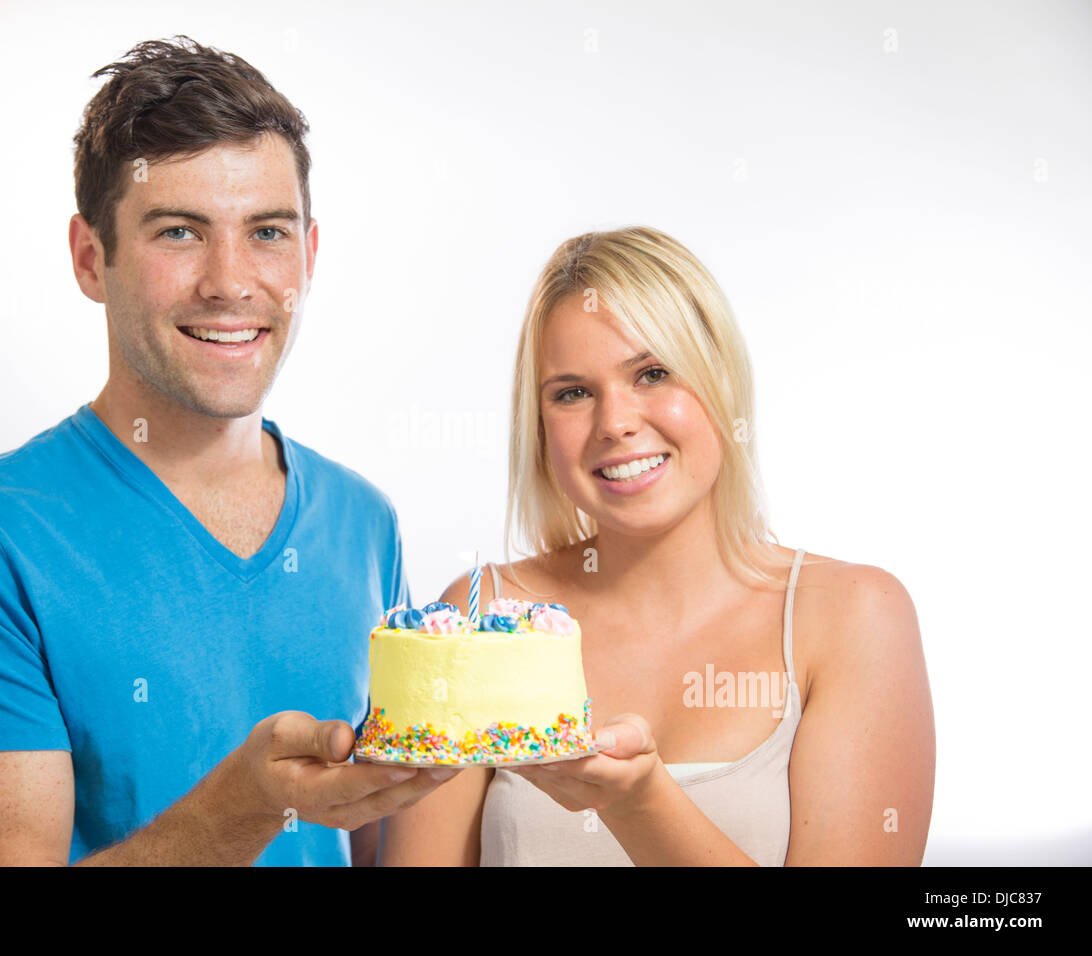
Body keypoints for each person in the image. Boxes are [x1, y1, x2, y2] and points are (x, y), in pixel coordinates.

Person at [0, 36, 455, 867]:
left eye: (268, 233)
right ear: (89, 258)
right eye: (179, 232)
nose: (231, 281)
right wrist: (246, 807)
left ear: (310, 256)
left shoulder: (363, 522)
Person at [379, 226, 935, 865]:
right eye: (573, 392)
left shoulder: (854, 615)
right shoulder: (483, 623)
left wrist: (638, 802)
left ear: (720, 380)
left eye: (652, 373)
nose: (615, 422)